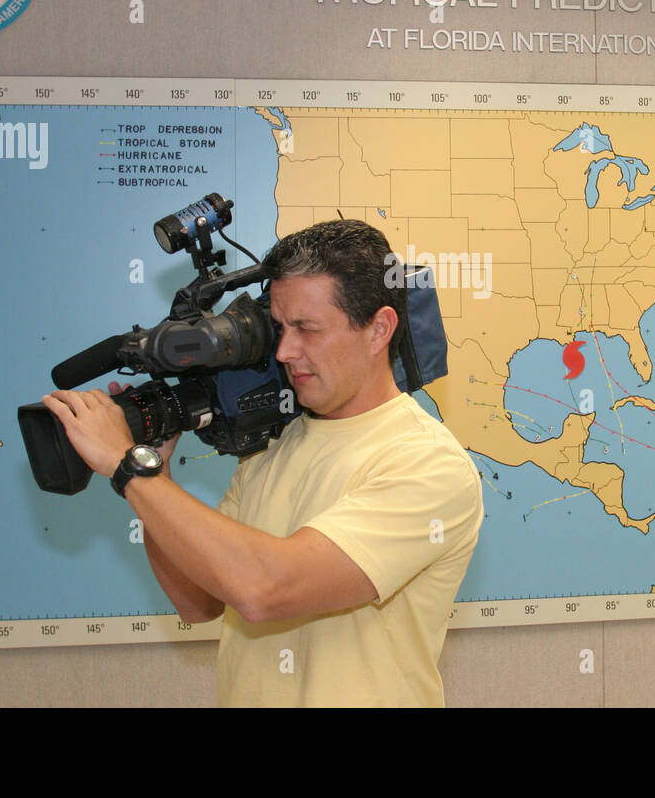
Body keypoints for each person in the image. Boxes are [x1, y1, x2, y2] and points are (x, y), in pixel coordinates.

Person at [42, 219, 483, 706]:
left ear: (379, 328)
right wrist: (157, 472)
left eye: (307, 328)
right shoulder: (273, 446)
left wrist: (130, 470)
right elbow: (199, 601)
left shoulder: (427, 463)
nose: (285, 351)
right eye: (280, 326)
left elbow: (265, 589)